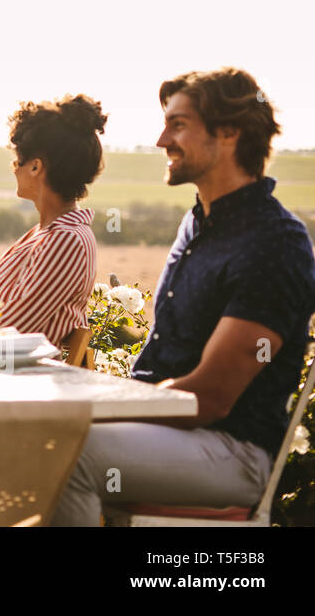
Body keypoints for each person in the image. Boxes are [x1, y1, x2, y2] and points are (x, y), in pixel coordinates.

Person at [52, 68, 315, 526]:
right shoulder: (197, 224)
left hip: (230, 449)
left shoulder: (274, 243)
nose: (160, 140)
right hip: (165, 429)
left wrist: (110, 409)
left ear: (229, 133)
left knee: (70, 453)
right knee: (28, 434)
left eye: (178, 124)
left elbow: (209, 398)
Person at [0, 95, 104, 347]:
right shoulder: (47, 232)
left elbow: (8, 330)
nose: (14, 168)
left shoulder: (66, 240)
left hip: (19, 379)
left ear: (36, 167)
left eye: (18, 161)